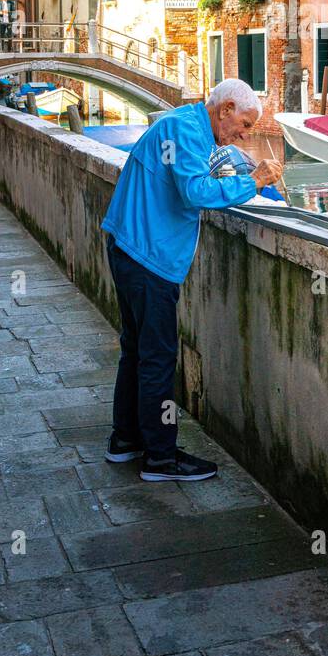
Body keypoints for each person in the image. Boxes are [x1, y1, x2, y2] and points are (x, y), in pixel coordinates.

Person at [101, 78, 283, 482]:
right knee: (158, 358)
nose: (245, 133)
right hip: (149, 256)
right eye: (245, 123)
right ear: (225, 109)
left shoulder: (186, 124)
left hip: (131, 246)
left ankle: (125, 440)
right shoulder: (185, 130)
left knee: (136, 350)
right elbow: (195, 192)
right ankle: (161, 459)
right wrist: (254, 181)